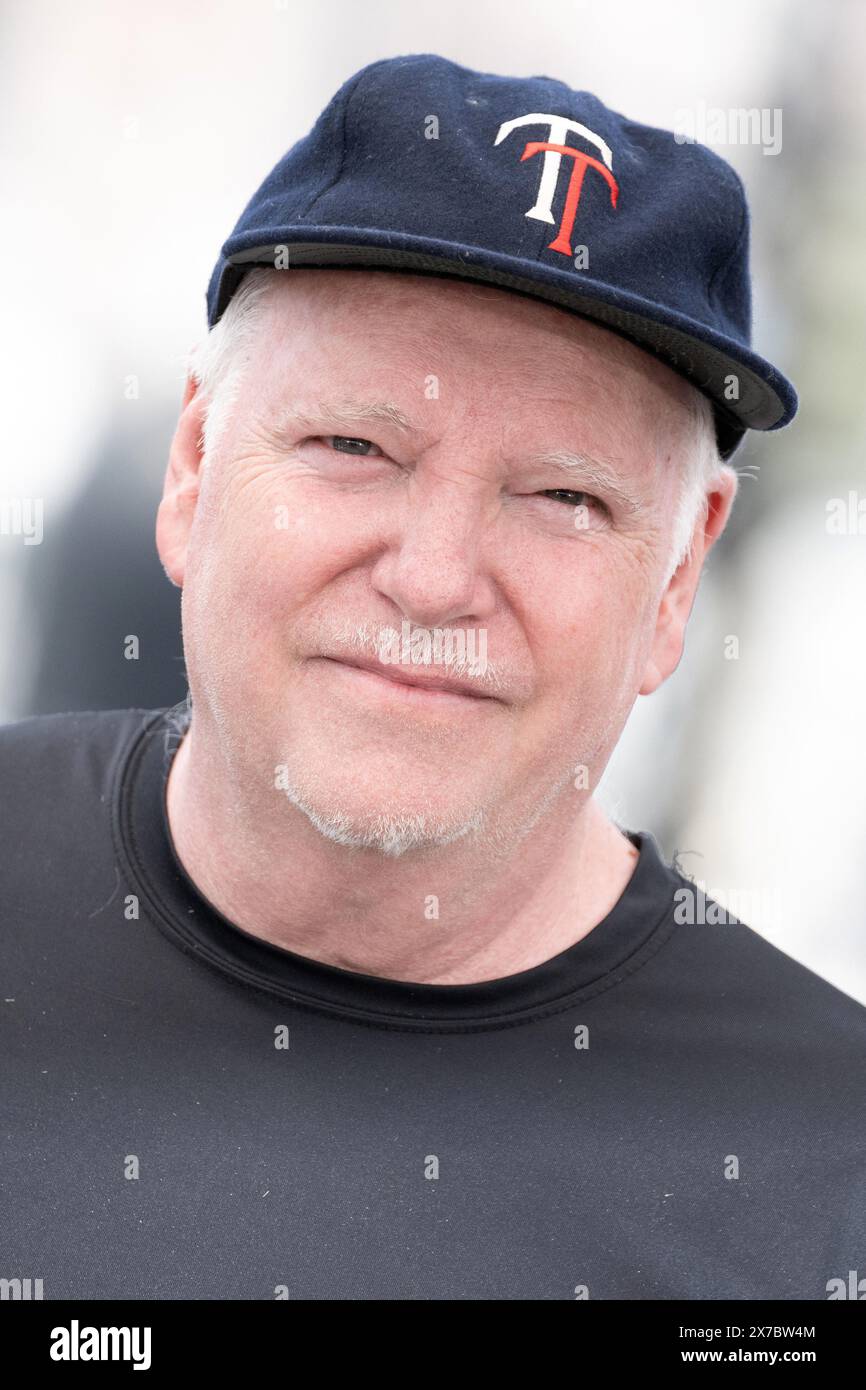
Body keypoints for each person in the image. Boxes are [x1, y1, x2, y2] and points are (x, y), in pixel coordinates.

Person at [3, 53, 863, 1302]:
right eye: (353, 445)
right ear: (193, 467)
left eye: (563, 497)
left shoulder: (822, 1188)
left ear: (676, 580)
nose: (433, 577)